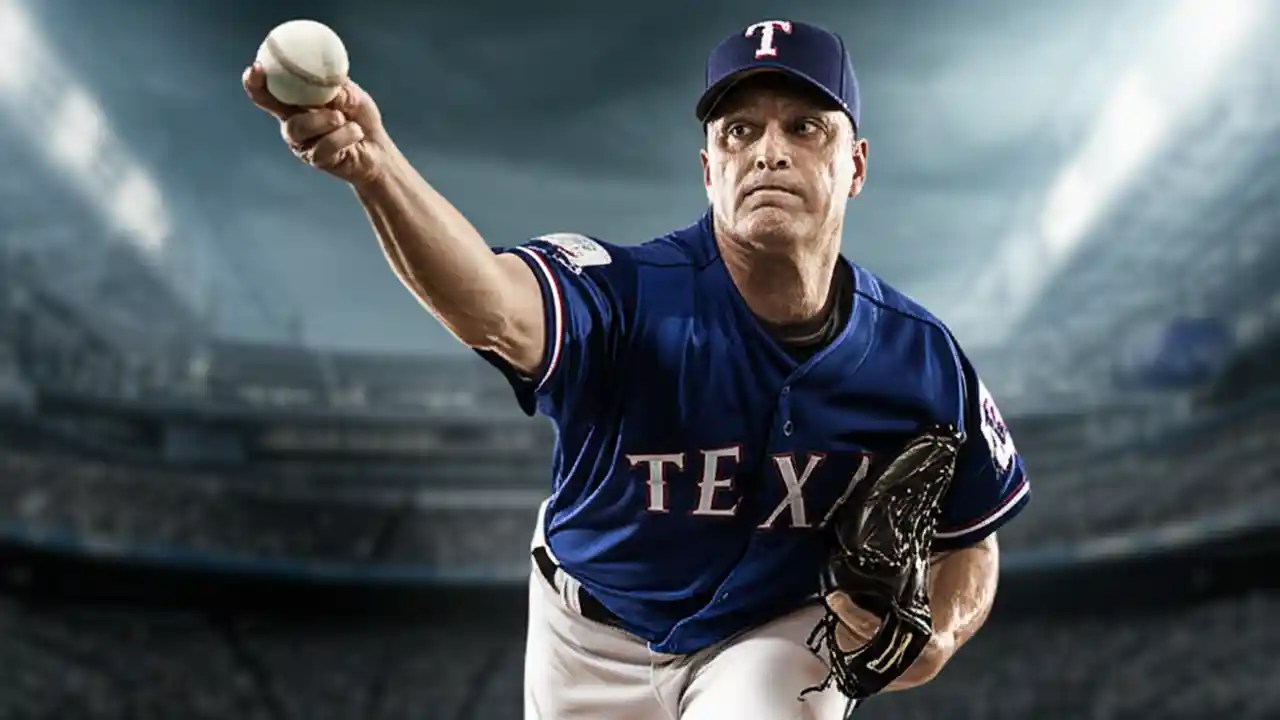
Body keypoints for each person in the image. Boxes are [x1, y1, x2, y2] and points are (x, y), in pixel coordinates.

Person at [243, 17, 1030, 719]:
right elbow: (495, 303)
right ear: (708, 169)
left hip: (774, 632)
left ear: (854, 165)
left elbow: (974, 534)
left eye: (804, 128)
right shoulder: (629, 293)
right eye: (738, 131)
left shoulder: (918, 358)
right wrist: (375, 169)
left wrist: (944, 635)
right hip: (585, 636)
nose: (768, 151)